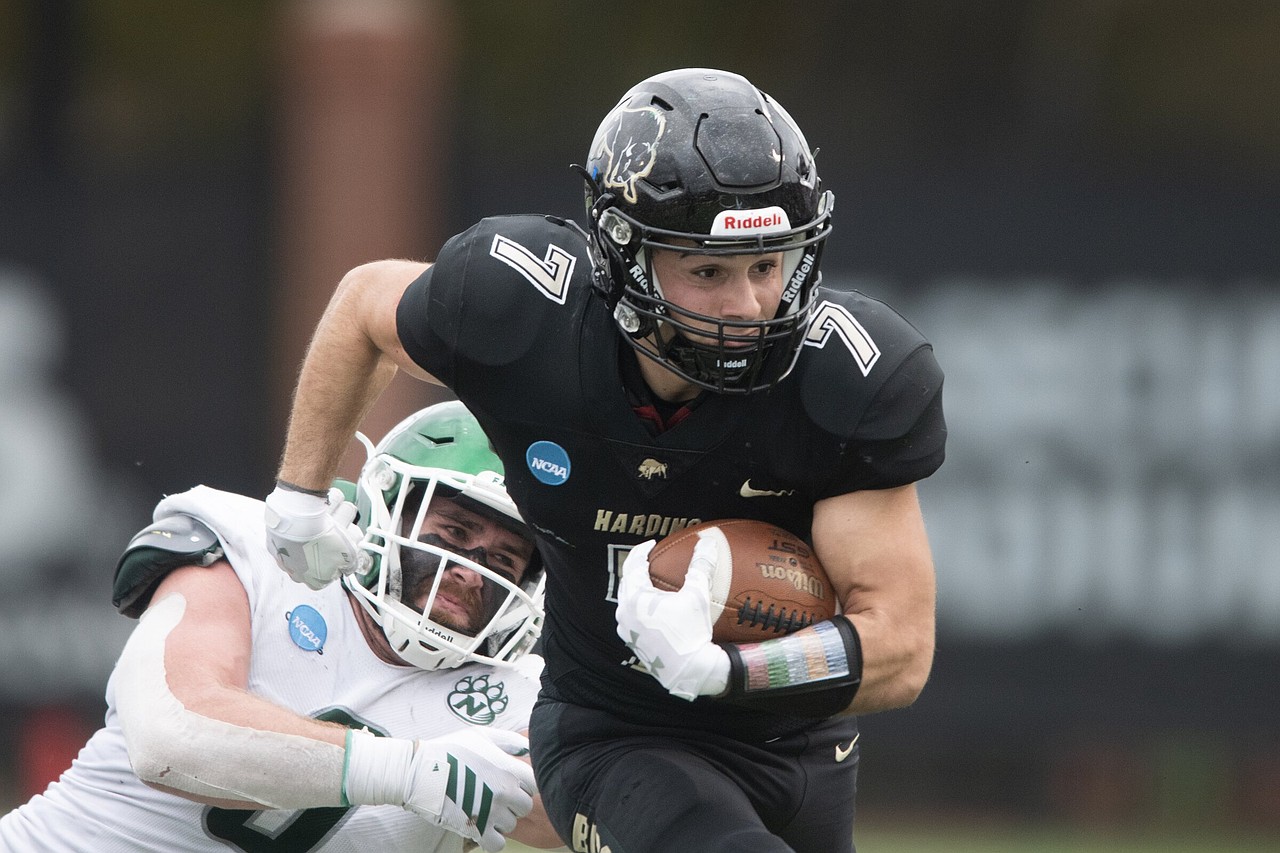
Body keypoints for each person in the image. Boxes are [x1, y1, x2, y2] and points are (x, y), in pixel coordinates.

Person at [262, 67, 947, 852]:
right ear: (624, 252)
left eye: (768, 265)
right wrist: (299, 494)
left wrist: (728, 669)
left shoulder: (845, 376)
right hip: (612, 730)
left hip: (806, 749)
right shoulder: (521, 309)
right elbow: (363, 306)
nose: (750, 305)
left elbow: (899, 646)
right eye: (709, 271)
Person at [0, 401, 565, 852]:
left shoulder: (513, 696)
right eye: (454, 533)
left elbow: (602, 815)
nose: (470, 574)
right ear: (386, 508)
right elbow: (169, 735)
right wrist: (411, 770)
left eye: (503, 561)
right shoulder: (259, 554)